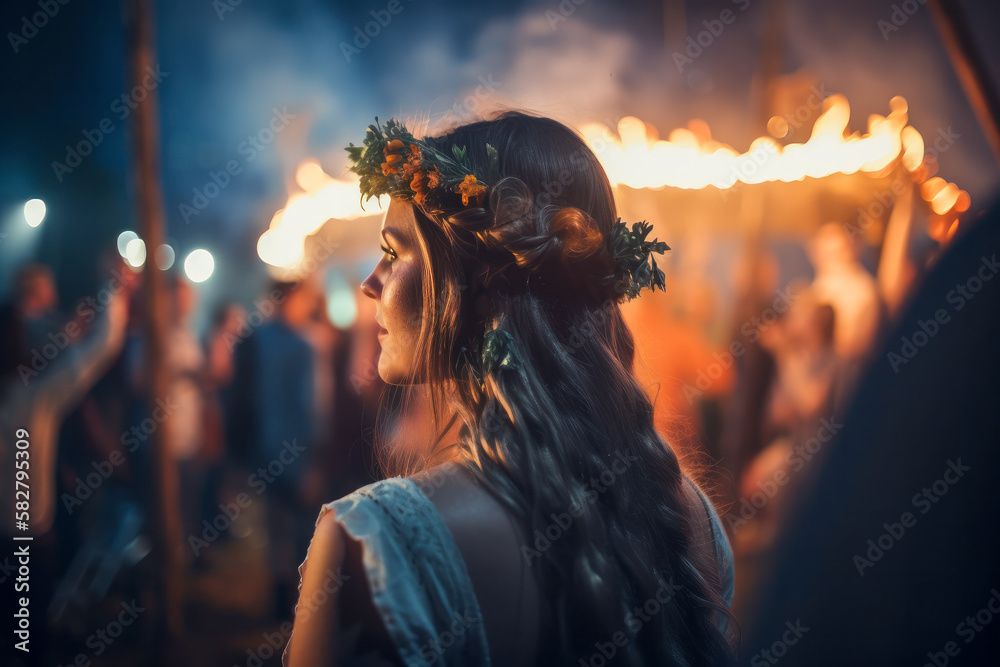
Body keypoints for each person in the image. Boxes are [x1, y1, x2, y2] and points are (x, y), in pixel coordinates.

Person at [283, 111, 738, 666]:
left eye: (395, 251)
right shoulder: (692, 522)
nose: (369, 282)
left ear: (477, 279)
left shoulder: (378, 543)